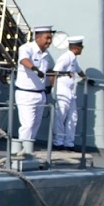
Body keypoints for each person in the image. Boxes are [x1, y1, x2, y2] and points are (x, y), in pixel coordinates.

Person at [15, 26, 54, 154]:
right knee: (28, 124)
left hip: (40, 93)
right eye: (47, 38)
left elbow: (48, 71)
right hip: (26, 93)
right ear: (37, 37)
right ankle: (20, 152)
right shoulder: (26, 48)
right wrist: (35, 69)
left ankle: (28, 151)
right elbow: (24, 60)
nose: (49, 41)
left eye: (50, 38)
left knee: (36, 124)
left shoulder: (46, 54)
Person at [51, 35, 85, 150]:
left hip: (70, 91)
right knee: (60, 117)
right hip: (61, 90)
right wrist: (53, 89)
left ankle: (69, 143)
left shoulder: (73, 58)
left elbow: (79, 70)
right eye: (81, 47)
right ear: (76, 47)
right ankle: (58, 142)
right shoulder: (66, 57)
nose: (82, 49)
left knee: (73, 117)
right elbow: (54, 72)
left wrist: (86, 78)